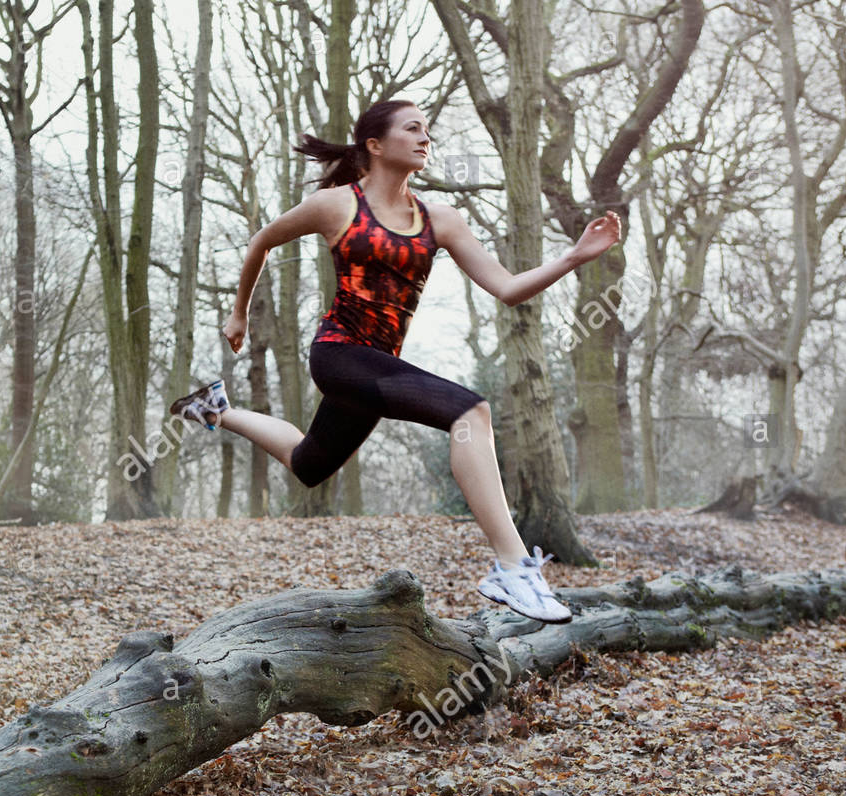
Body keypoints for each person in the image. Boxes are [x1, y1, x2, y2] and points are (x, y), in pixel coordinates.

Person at [171, 99, 620, 623]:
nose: (425, 138)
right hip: (339, 354)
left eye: (428, 130)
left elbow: (508, 288)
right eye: (413, 129)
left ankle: (216, 409)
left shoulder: (440, 220)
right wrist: (238, 314)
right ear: (375, 146)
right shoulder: (338, 206)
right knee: (470, 412)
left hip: (378, 368)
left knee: (308, 463)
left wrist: (573, 257)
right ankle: (512, 568)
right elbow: (261, 241)